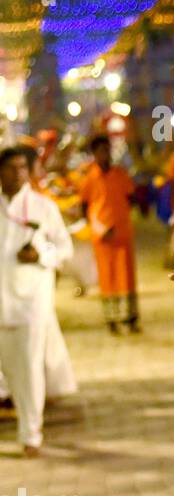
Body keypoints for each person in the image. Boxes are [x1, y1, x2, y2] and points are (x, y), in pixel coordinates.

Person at [0, 144, 73, 457]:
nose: (18, 174)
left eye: (23, 168)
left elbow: (65, 249)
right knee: (10, 370)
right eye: (11, 168)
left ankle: (31, 434)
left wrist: (41, 255)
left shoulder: (44, 208)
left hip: (31, 301)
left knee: (29, 366)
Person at [78, 134, 140, 334]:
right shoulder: (89, 178)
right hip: (102, 237)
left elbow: (131, 198)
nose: (105, 154)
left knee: (126, 275)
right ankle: (111, 318)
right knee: (107, 276)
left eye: (107, 149)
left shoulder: (120, 174)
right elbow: (84, 206)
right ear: (94, 153)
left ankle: (130, 317)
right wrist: (99, 226)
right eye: (101, 150)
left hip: (123, 233)